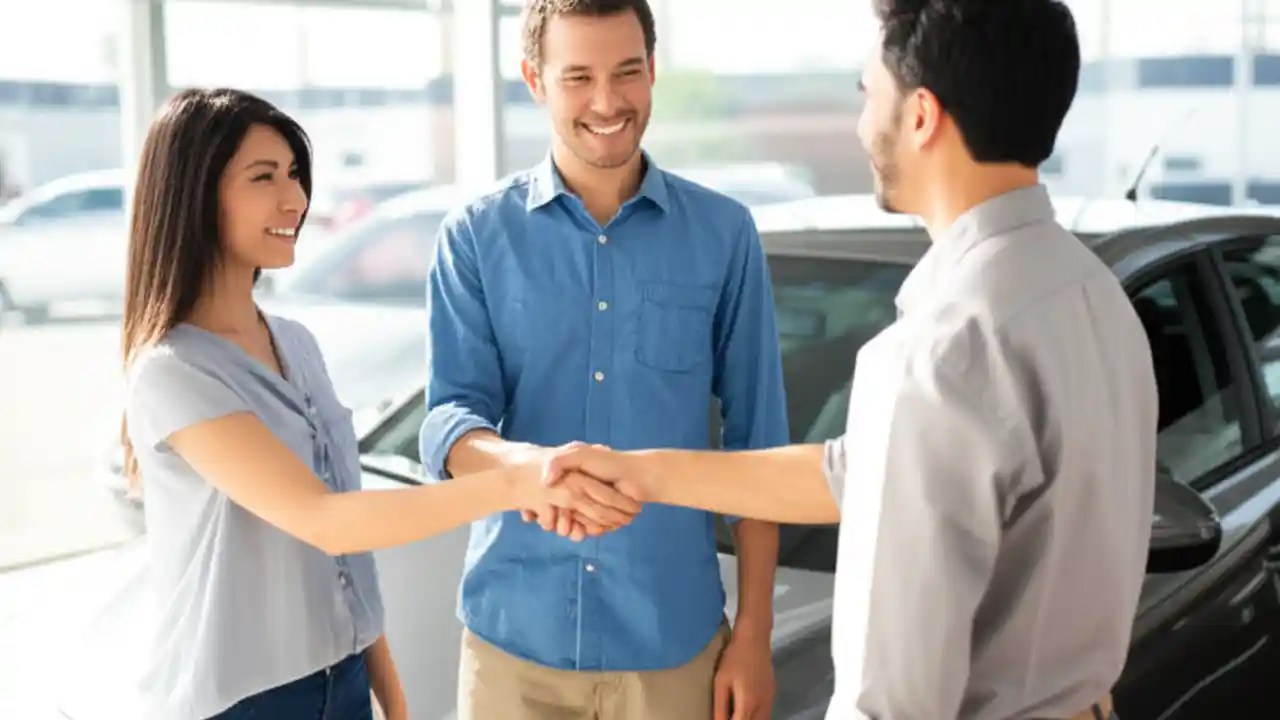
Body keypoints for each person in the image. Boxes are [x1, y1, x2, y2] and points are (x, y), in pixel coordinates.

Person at [541, 1, 1155, 718]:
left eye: (869, 95)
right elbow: (859, 472)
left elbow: (891, 700)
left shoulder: (938, 351)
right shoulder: (1090, 293)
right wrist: (641, 472)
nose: (862, 126)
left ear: (920, 116)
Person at [120, 88, 639, 720]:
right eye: (264, 177)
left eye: (294, 175)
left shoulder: (295, 343)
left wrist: (389, 692)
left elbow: (344, 558)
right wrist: (522, 482)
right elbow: (329, 518)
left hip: (342, 682)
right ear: (195, 194)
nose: (296, 200)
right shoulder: (173, 372)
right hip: (238, 703)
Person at [418, 1, 789, 718]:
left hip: (672, 644)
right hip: (512, 649)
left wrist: (754, 634)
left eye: (627, 72)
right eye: (578, 77)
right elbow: (449, 419)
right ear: (535, 80)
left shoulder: (724, 235)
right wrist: (528, 471)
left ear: (653, 70)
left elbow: (760, 449)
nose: (607, 102)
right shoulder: (475, 236)